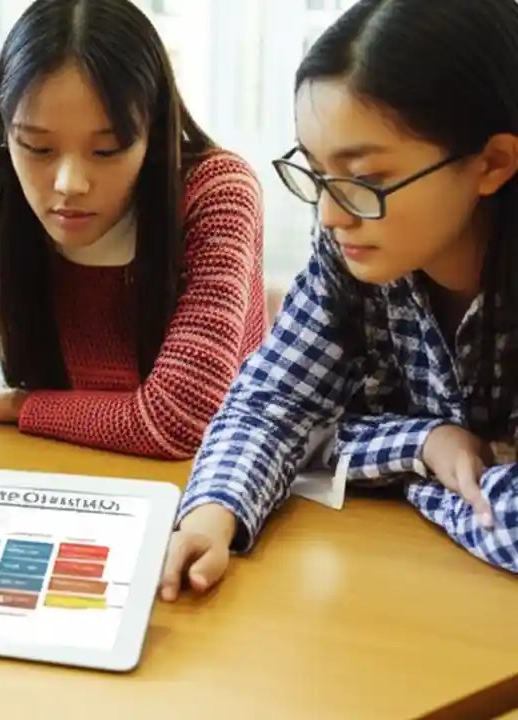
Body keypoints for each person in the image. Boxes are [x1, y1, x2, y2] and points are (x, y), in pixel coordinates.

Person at [163, 0, 518, 600]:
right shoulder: (355, 256)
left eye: (366, 180)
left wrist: (389, 463)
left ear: (492, 163)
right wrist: (212, 513)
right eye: (318, 174)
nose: (329, 214)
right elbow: (270, 407)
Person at [0, 0, 265, 466]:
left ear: (154, 132)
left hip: (203, 491)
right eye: (37, 148)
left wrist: (22, 405)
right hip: (63, 478)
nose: (69, 184)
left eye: (107, 150)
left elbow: (180, 419)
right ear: (6, 134)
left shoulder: (214, 194)